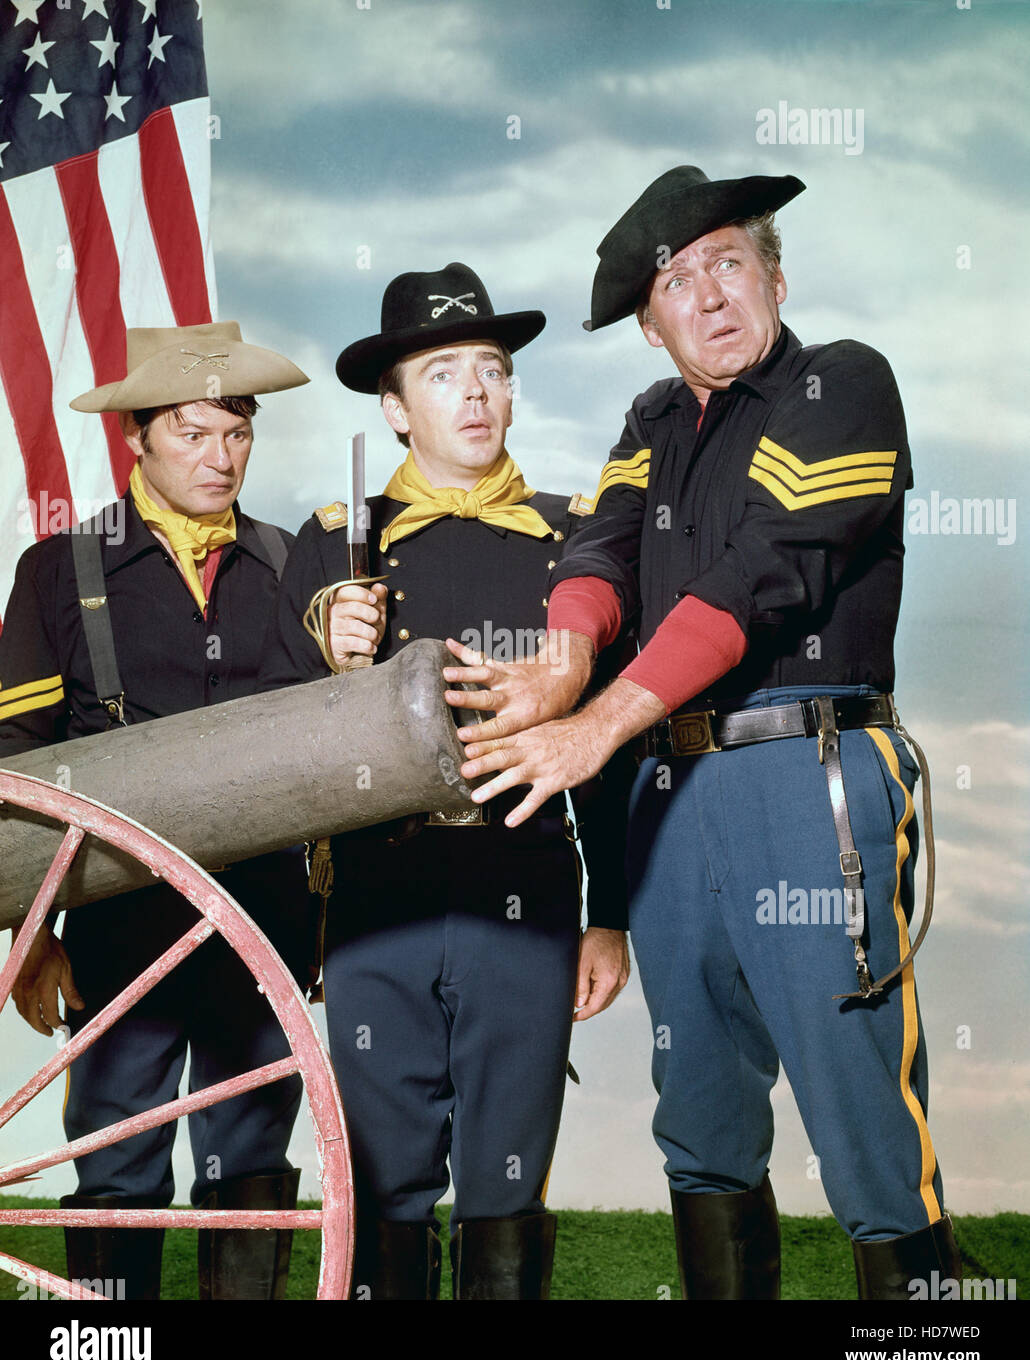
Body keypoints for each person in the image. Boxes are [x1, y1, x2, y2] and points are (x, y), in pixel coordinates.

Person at [447, 168, 961, 1300]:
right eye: (677, 282)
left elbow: (761, 572)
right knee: (703, 1114)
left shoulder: (842, 381)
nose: (711, 295)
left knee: (859, 1106)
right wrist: (569, 661)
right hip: (669, 797)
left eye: (729, 261)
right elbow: (598, 553)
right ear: (649, 324)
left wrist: (600, 721)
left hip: (804, 769)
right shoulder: (647, 424)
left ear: (774, 273)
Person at [261, 263, 630, 1300]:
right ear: (393, 406)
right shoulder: (330, 541)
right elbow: (274, 746)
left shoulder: (577, 539)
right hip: (377, 900)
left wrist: (614, 913)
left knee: (507, 1175)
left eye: (492, 369)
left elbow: (608, 745)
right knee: (384, 1178)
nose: (474, 392)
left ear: (512, 392)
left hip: (524, 891)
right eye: (442, 372)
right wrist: (323, 653)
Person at [0, 321, 313, 1300]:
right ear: (136, 435)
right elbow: (17, 766)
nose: (219, 458)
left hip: (260, 915)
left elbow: (323, 760)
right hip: (114, 927)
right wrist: (30, 931)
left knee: (251, 1157)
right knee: (116, 1162)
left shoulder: (291, 564)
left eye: (237, 433)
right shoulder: (60, 571)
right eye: (191, 434)